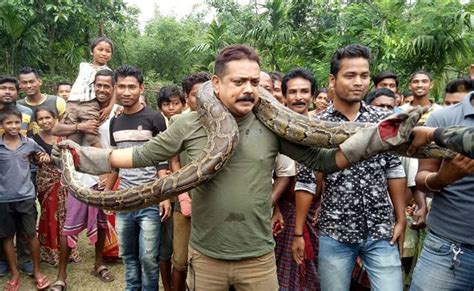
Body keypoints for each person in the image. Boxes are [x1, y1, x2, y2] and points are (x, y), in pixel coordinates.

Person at [53, 45, 422, 290]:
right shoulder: (188, 123)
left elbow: (325, 160)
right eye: (238, 82)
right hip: (207, 256)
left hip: (258, 258)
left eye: (254, 82)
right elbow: (138, 156)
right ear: (215, 84)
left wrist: (376, 140)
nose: (249, 90)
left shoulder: (274, 125)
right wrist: (81, 156)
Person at [294, 44, 407, 291]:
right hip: (335, 233)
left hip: (380, 230)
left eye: (364, 76)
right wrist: (298, 232)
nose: (358, 82)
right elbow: (305, 180)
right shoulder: (316, 126)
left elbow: (394, 169)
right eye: (350, 75)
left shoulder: (382, 120)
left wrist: (400, 218)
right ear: (332, 80)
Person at [49, 69, 119, 291]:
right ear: (93, 85)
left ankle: (98, 265)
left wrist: (109, 177)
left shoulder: (118, 110)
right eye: (98, 85)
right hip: (80, 175)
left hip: (105, 174)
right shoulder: (80, 106)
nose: (102, 89)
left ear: (113, 88)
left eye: (107, 86)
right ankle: (61, 276)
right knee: (69, 226)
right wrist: (80, 127)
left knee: (100, 223)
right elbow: (56, 128)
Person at [106, 65, 170, 291]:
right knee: (129, 256)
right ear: (115, 88)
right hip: (124, 201)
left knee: (148, 258)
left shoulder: (155, 118)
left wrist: (162, 195)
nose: (126, 91)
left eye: (131, 87)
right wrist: (107, 194)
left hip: (150, 200)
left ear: (141, 88)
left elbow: (163, 159)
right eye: (121, 86)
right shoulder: (115, 122)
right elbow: (114, 161)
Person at [408, 91, 474, 291]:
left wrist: (433, 134)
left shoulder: (436, 128)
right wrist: (443, 178)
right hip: (449, 248)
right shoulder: (443, 117)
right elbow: (421, 177)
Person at [274, 68, 321, 290]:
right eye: (292, 92)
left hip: (316, 214)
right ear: (284, 96)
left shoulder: (322, 127)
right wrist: (273, 207)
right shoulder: (274, 127)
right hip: (284, 210)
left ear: (312, 95)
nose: (298, 97)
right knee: (281, 272)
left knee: (315, 271)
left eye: (304, 91)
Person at [0, 108, 50, 290]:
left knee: (30, 234)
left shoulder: (29, 143)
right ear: (2, 125)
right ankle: (14, 273)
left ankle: (37, 271)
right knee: (7, 237)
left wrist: (44, 156)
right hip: (3, 199)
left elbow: (44, 155)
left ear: (22, 123)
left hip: (26, 197)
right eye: (8, 123)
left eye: (16, 122)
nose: (13, 126)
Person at [33, 108, 80, 266]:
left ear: (55, 119)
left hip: (66, 180)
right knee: (48, 214)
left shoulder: (64, 137)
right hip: (46, 182)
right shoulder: (34, 139)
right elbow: (33, 158)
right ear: (36, 122)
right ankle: (49, 252)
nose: (45, 121)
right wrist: (40, 158)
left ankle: (69, 251)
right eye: (41, 119)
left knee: (67, 215)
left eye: (48, 117)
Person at [0, 76, 34, 277]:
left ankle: (25, 258)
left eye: (11, 88)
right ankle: (3, 259)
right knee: (2, 223)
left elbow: (30, 139)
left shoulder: (27, 113)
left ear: (17, 91)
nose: (7, 92)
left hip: (22, 172)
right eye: (2, 88)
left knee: (25, 220)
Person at [156, 84, 187, 291]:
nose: (171, 108)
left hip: (186, 195)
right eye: (167, 104)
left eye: (176, 103)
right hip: (168, 194)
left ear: (184, 105)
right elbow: (160, 159)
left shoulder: (188, 125)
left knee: (183, 250)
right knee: (165, 248)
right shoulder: (158, 126)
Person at [63, 36, 115, 147]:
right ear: (92, 51)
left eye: (108, 51)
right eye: (100, 49)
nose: (104, 53)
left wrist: (110, 107)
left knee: (92, 136)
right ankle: (72, 163)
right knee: (72, 137)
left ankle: (105, 161)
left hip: (90, 105)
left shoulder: (108, 73)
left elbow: (115, 90)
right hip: (72, 103)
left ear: (110, 55)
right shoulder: (83, 66)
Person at [17, 67, 66, 135]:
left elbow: (65, 125)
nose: (28, 86)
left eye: (32, 82)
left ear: (39, 82)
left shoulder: (57, 101)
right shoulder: (18, 107)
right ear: (19, 85)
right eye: (24, 83)